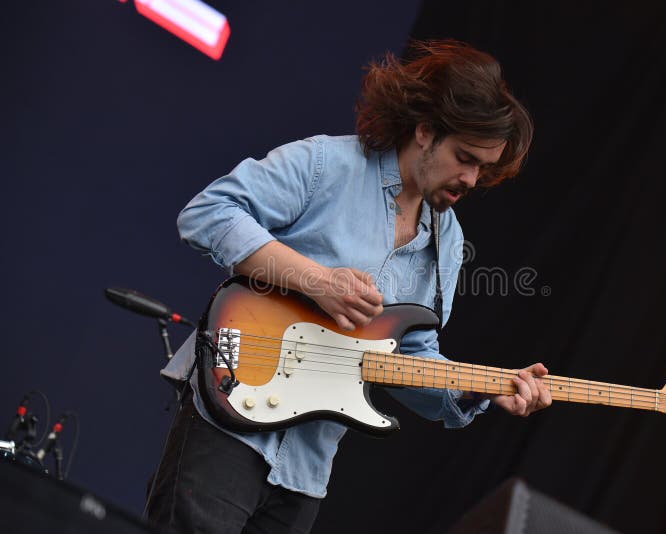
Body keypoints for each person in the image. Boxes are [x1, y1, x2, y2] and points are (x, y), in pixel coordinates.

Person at [147, 40, 552, 534]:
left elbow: (410, 356)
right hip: (230, 416)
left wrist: (482, 388)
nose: (470, 178)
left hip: (307, 469)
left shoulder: (448, 241)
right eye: (463, 157)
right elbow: (208, 213)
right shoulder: (327, 163)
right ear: (425, 130)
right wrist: (318, 280)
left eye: (483, 169)